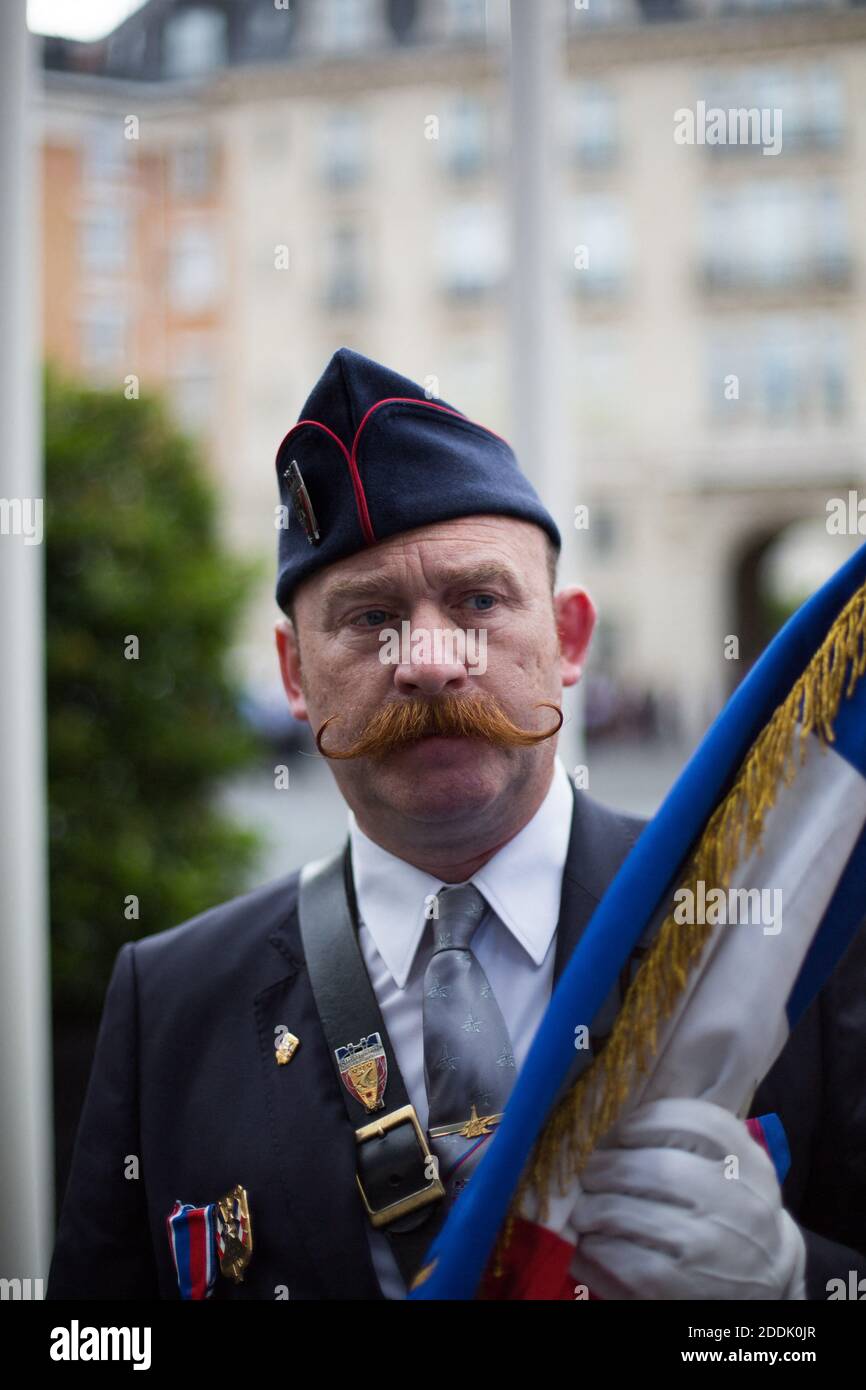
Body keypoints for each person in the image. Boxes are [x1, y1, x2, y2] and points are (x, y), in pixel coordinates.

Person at [47, 348, 866, 1301]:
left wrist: (794, 1292)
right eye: (369, 616)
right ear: (293, 674)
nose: (429, 660)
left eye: (479, 600)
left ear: (567, 639)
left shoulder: (773, 929)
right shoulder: (172, 1003)